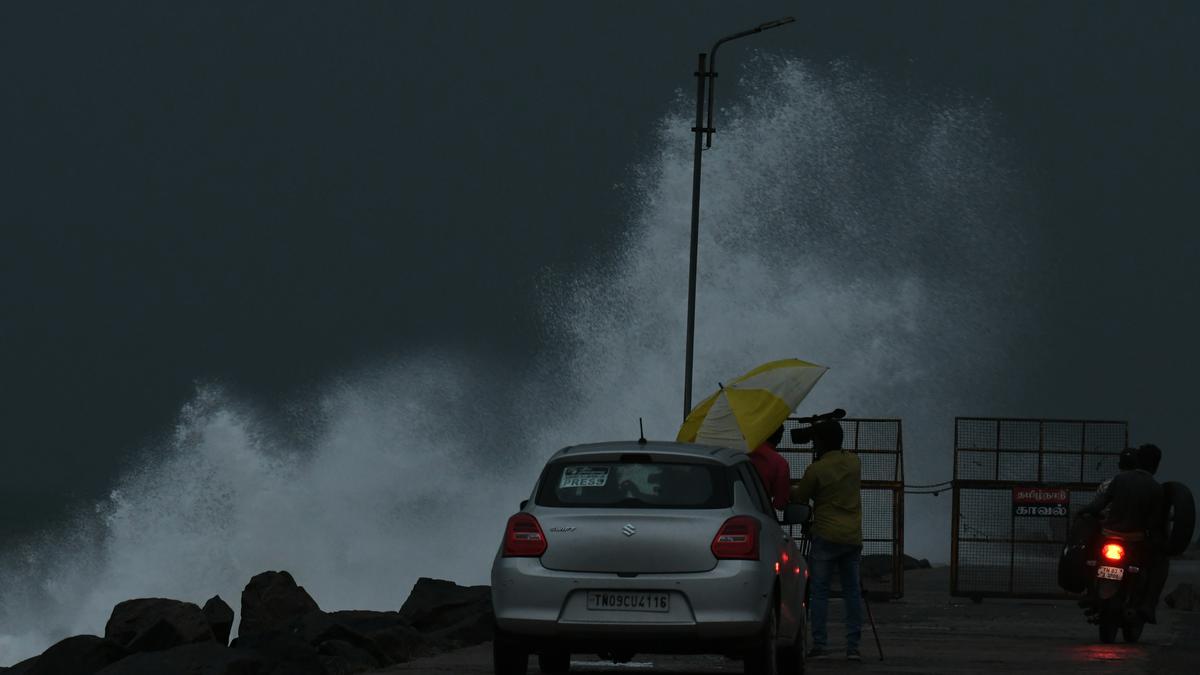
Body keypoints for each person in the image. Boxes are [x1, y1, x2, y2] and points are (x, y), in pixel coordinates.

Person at [790, 420, 863, 661]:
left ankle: (820, 644)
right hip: (852, 536)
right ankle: (853, 646)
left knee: (819, 592)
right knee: (852, 592)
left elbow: (801, 496)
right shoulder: (854, 462)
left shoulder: (817, 470)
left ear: (820, 442)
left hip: (826, 535)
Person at [1078, 443, 1163, 622]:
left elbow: (1098, 505)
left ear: (1138, 460)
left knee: (1090, 558)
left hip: (1108, 534)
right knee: (1160, 563)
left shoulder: (1120, 480)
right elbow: (1156, 523)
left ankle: (1090, 592)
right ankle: (1148, 605)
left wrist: (1083, 511)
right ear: (1156, 465)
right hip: (1135, 540)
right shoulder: (1156, 488)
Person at [748, 425, 791, 510]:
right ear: (779, 437)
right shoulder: (780, 463)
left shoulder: (742, 451)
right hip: (759, 513)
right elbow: (780, 504)